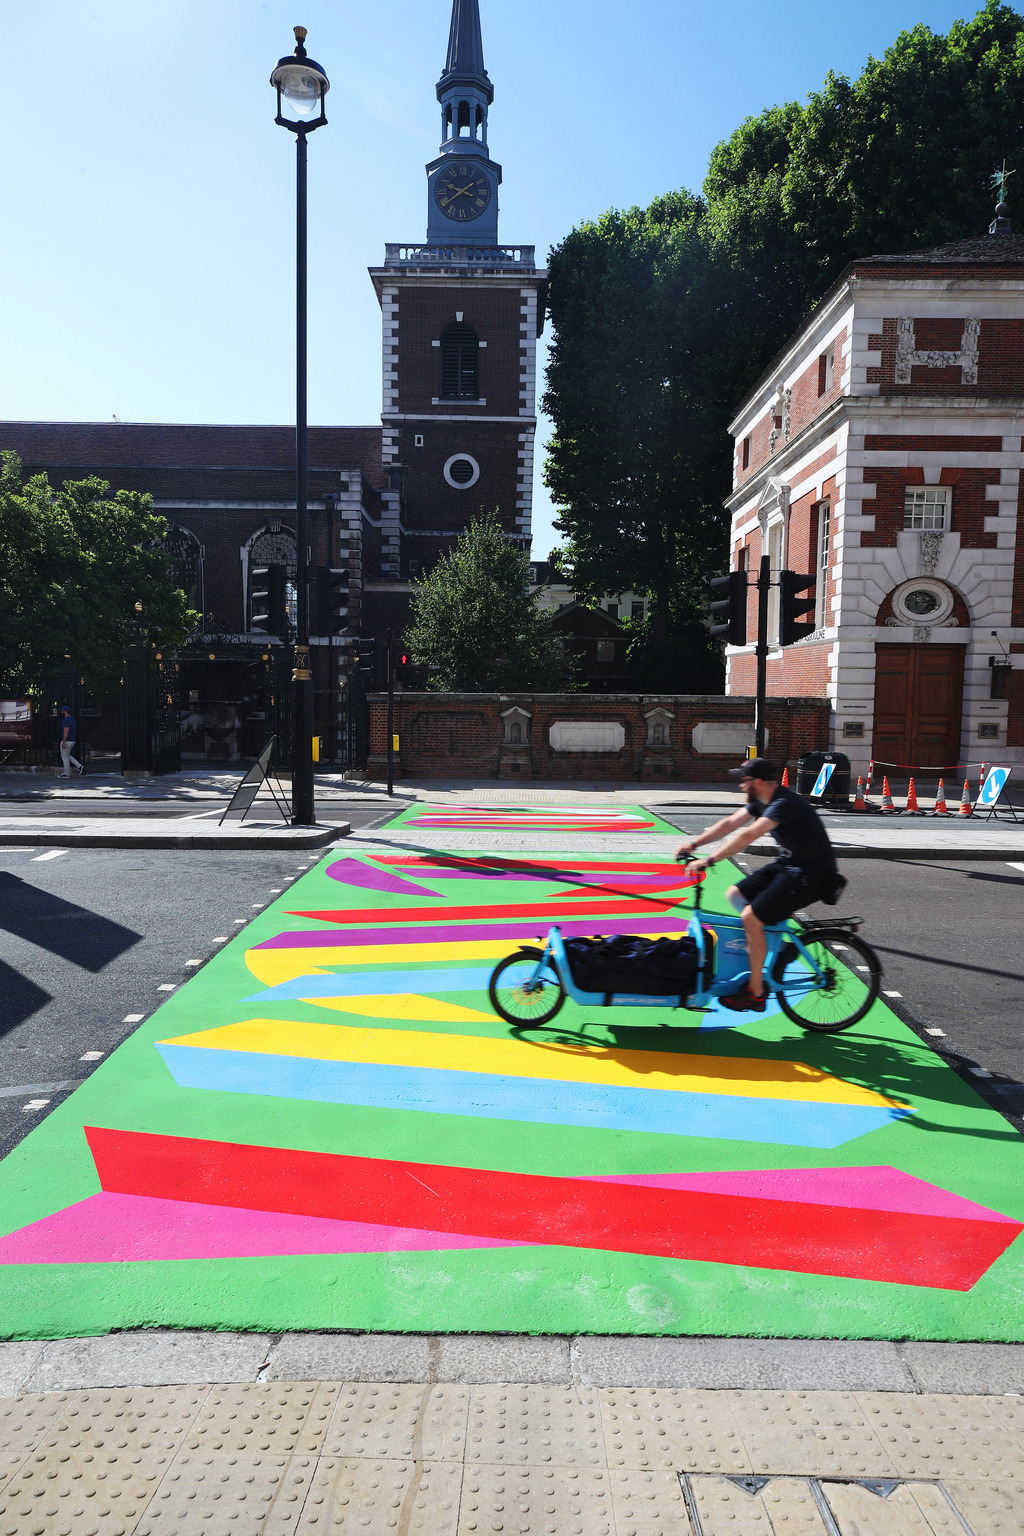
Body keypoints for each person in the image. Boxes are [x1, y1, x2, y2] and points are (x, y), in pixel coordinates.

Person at [675, 757, 839, 1012]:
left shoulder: (783, 803)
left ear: (759, 782)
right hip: (791, 864)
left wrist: (709, 860)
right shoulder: (762, 800)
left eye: (744, 781)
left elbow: (748, 835)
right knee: (735, 894)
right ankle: (773, 943)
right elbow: (730, 824)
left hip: (812, 875)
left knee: (751, 917)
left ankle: (756, 992)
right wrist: (694, 844)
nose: (741, 786)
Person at [58, 705, 84, 778]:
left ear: (65, 711)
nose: (61, 712)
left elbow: (66, 731)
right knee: (67, 755)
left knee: (64, 757)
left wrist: (63, 742)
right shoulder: (73, 719)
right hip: (72, 740)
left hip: (67, 740)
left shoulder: (66, 720)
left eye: (62, 710)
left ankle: (66, 773)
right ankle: (79, 766)